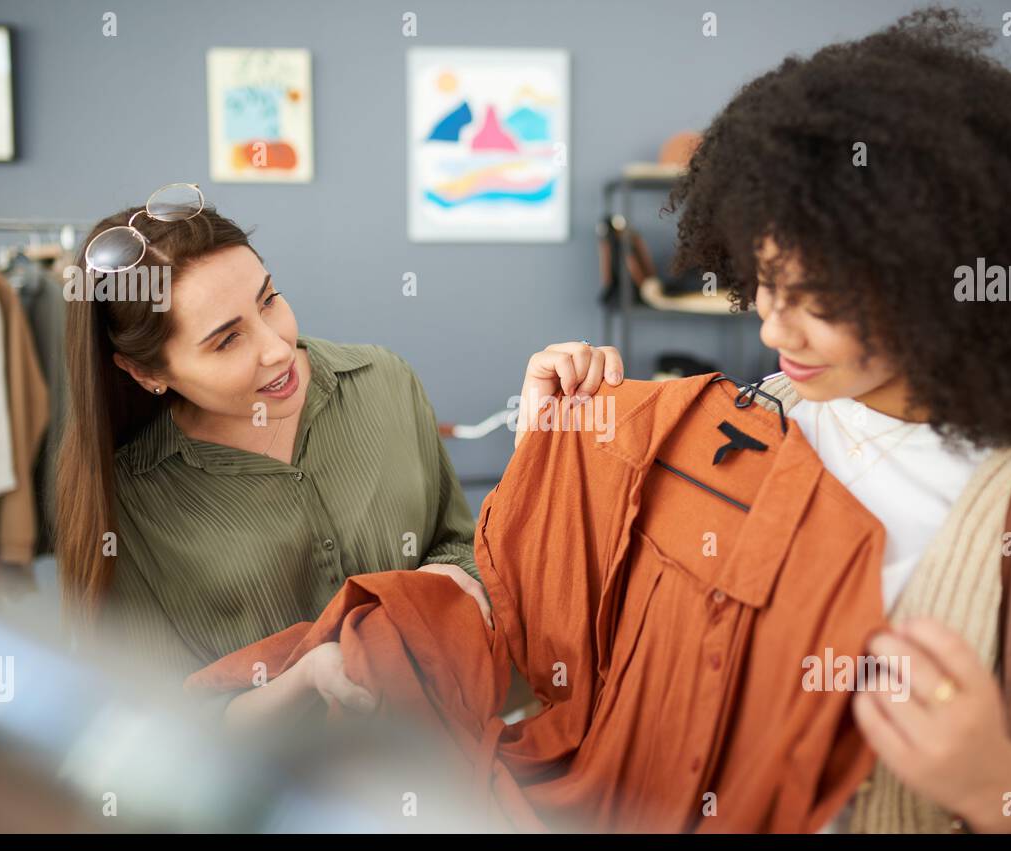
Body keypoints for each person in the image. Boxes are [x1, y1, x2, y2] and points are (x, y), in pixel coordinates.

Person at [515, 8, 1011, 832]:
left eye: (820, 301)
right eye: (763, 280)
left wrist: (1004, 788)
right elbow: (595, 659)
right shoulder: (761, 418)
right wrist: (555, 456)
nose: (771, 329)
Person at [54, 183, 623, 730]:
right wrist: (298, 685)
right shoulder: (128, 502)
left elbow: (461, 546)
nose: (277, 349)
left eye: (269, 300)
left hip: (454, 752)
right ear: (146, 372)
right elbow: (159, 727)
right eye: (227, 340)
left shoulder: (384, 380)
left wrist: (535, 459)